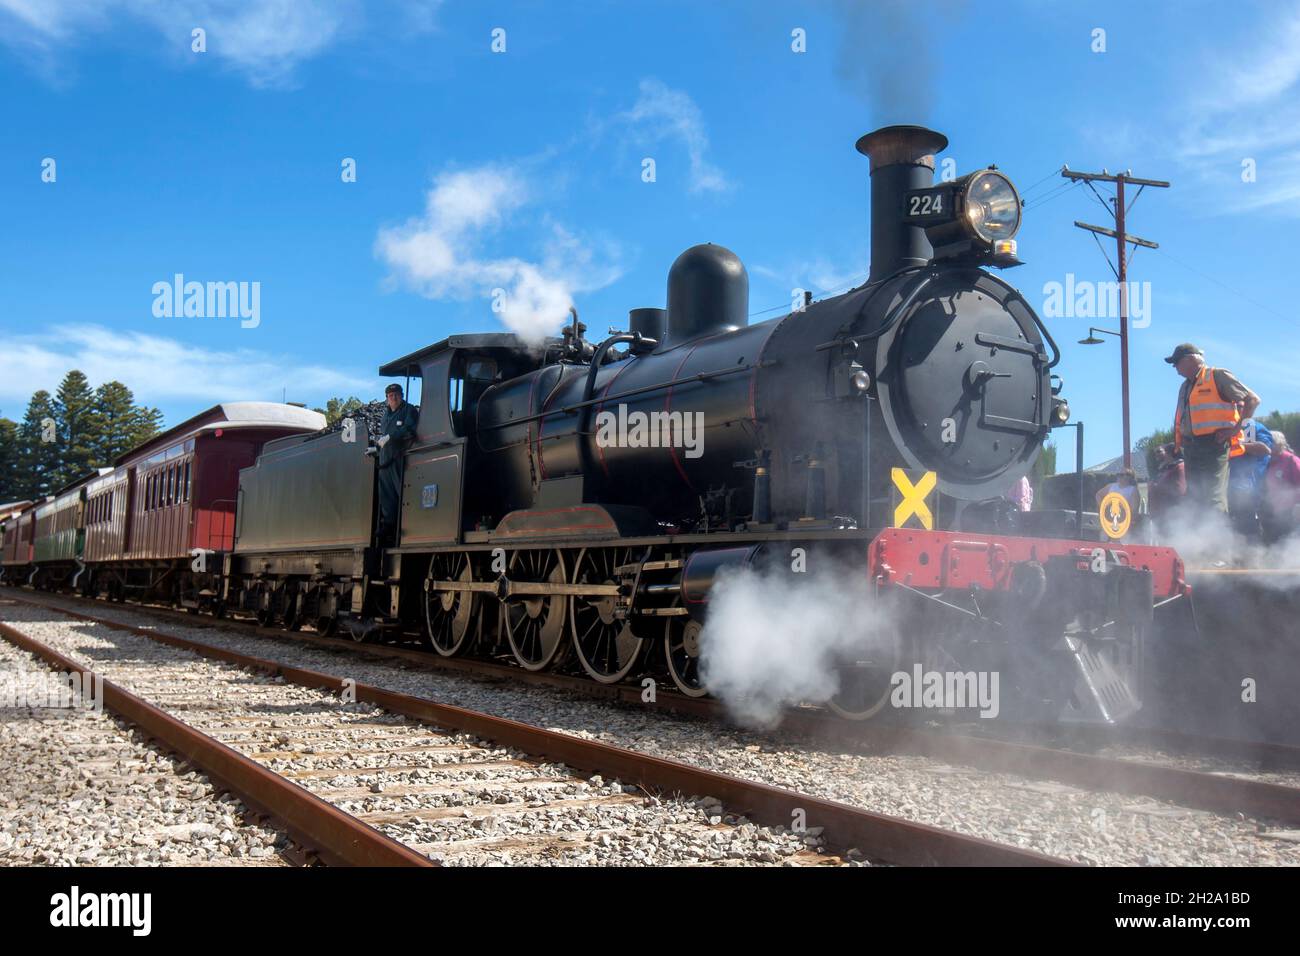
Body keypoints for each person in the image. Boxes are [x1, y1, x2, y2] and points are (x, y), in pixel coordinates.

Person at [1166, 343, 1260, 517]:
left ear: (1191, 359)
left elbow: (1252, 400)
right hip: (1192, 448)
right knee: (1194, 497)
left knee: (1213, 496)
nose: (1175, 368)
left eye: (1177, 363)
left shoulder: (1217, 376)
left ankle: (1217, 537)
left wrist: (1235, 430)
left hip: (1214, 445)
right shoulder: (1185, 386)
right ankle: (1199, 537)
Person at [375, 383, 419, 546]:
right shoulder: (385, 416)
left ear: (402, 396)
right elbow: (382, 437)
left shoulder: (409, 410)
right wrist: (376, 447)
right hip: (386, 459)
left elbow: (410, 429)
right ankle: (389, 527)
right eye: (391, 395)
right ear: (387, 399)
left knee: (402, 492)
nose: (394, 398)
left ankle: (406, 525)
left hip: (401, 458)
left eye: (397, 395)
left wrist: (391, 437)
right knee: (386, 495)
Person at [1227, 418, 1273, 540]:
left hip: (1250, 487)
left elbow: (1266, 449)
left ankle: (1254, 554)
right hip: (1229, 487)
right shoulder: (1225, 427)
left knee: (1248, 524)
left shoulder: (1251, 427)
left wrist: (1237, 445)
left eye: (1239, 405)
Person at [1263, 430, 1300, 544]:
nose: (1266, 445)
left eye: (1269, 442)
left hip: (1291, 511)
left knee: (1290, 541)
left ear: (1278, 444)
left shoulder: (1291, 460)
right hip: (1274, 512)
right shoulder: (1267, 462)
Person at [1148, 443, 1185, 536]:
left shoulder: (1179, 467)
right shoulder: (1165, 468)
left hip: (1171, 513)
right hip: (1161, 513)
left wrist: (1156, 486)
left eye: (1160, 452)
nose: (1158, 455)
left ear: (1168, 453)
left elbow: (1179, 489)